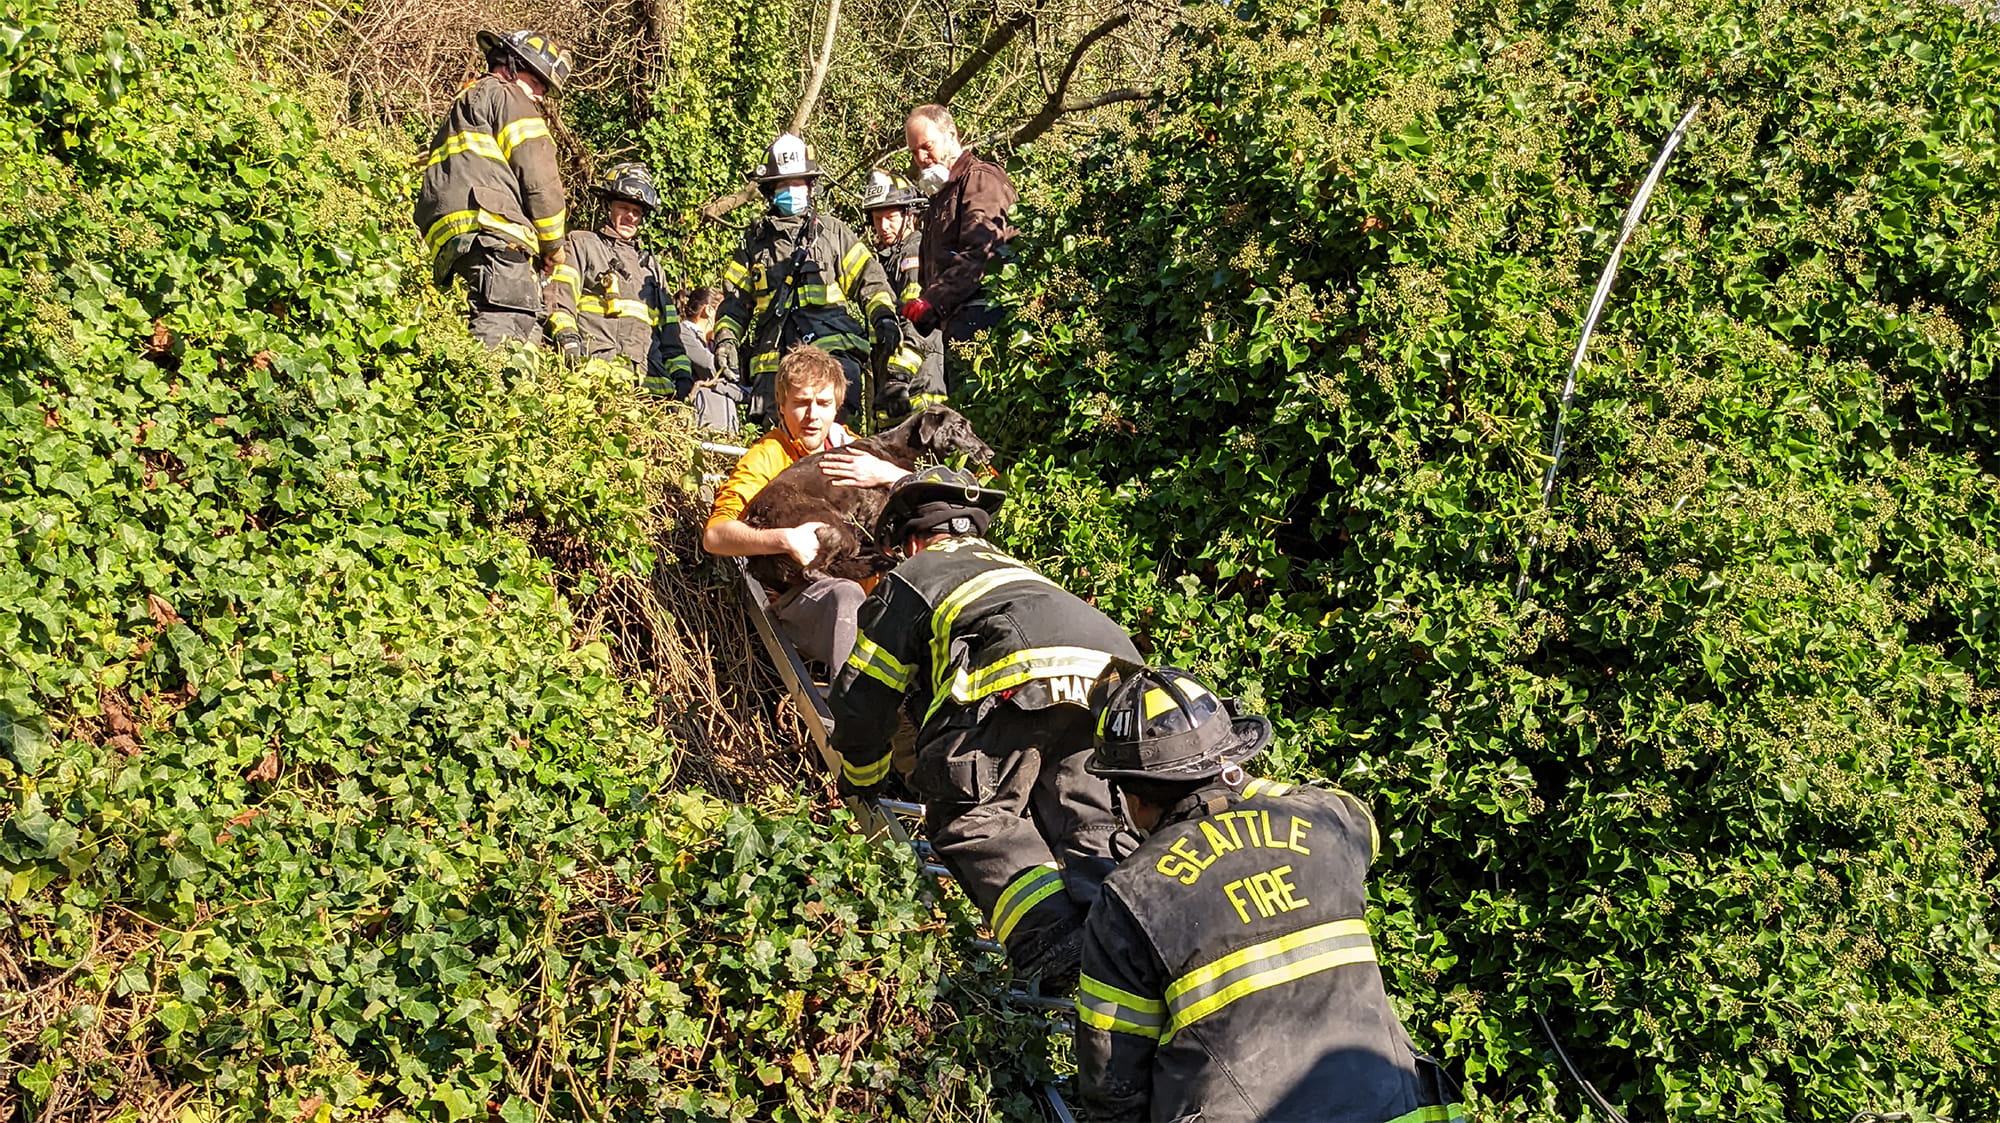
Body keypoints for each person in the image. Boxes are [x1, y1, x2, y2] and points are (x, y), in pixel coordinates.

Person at [1073, 664, 1468, 1123]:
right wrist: (1240, 786)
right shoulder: (1325, 826)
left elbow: (1112, 1070)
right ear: (1232, 759)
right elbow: (1358, 814)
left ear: (1127, 795)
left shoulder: (1131, 894)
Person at [828, 469, 1140, 991]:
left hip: (1014, 675)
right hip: (1114, 679)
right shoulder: (1019, 572)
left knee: (974, 818)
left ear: (909, 541)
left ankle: (1056, 943)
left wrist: (864, 776)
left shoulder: (913, 574)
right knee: (1088, 819)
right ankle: (1124, 940)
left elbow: (864, 698)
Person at [702, 346, 908, 667]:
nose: (813, 415)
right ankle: (852, 712)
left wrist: (889, 474)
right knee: (845, 596)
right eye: (801, 403)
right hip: (802, 596)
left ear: (838, 406)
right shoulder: (768, 457)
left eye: (824, 404)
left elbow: (922, 500)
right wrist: (786, 540)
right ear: (782, 406)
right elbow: (715, 536)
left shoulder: (856, 450)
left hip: (871, 591)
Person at [711, 134, 913, 425]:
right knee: (779, 457)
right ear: (770, 190)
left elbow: (872, 283)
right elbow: (734, 303)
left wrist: (883, 317)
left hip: (832, 365)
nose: (792, 191)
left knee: (836, 453)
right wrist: (727, 340)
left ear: (810, 186)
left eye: (798, 183)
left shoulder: (833, 233)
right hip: (774, 372)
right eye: (784, 185)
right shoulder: (753, 243)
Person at [415, 30, 573, 347]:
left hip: (453, 233)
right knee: (505, 325)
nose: (540, 96)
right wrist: (554, 247)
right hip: (492, 228)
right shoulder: (509, 97)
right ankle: (489, 391)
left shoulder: (467, 101)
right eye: (538, 83)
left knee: (523, 321)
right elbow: (540, 179)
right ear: (512, 66)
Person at [543, 162, 690, 395]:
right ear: (608, 206)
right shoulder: (582, 245)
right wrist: (569, 342)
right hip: (597, 378)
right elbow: (560, 301)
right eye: (624, 208)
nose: (631, 216)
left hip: (649, 391)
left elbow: (669, 332)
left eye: (637, 212)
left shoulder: (651, 268)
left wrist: (681, 375)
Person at [901, 104, 1018, 394]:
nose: (921, 158)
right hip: (960, 320)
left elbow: (983, 251)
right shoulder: (944, 196)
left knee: (981, 409)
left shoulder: (980, 180)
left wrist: (933, 300)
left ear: (951, 134)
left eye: (927, 147)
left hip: (985, 316)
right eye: (914, 152)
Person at [859, 170, 946, 415]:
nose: (883, 227)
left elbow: (918, 320)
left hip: (917, 384)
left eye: (890, 218)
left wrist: (898, 377)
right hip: (892, 386)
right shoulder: (887, 259)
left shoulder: (916, 253)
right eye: (877, 219)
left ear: (910, 215)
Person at [677, 286, 742, 433]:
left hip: (726, 430)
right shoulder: (683, 332)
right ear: (709, 310)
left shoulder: (712, 344)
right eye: (723, 312)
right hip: (702, 426)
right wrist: (743, 393)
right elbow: (711, 369)